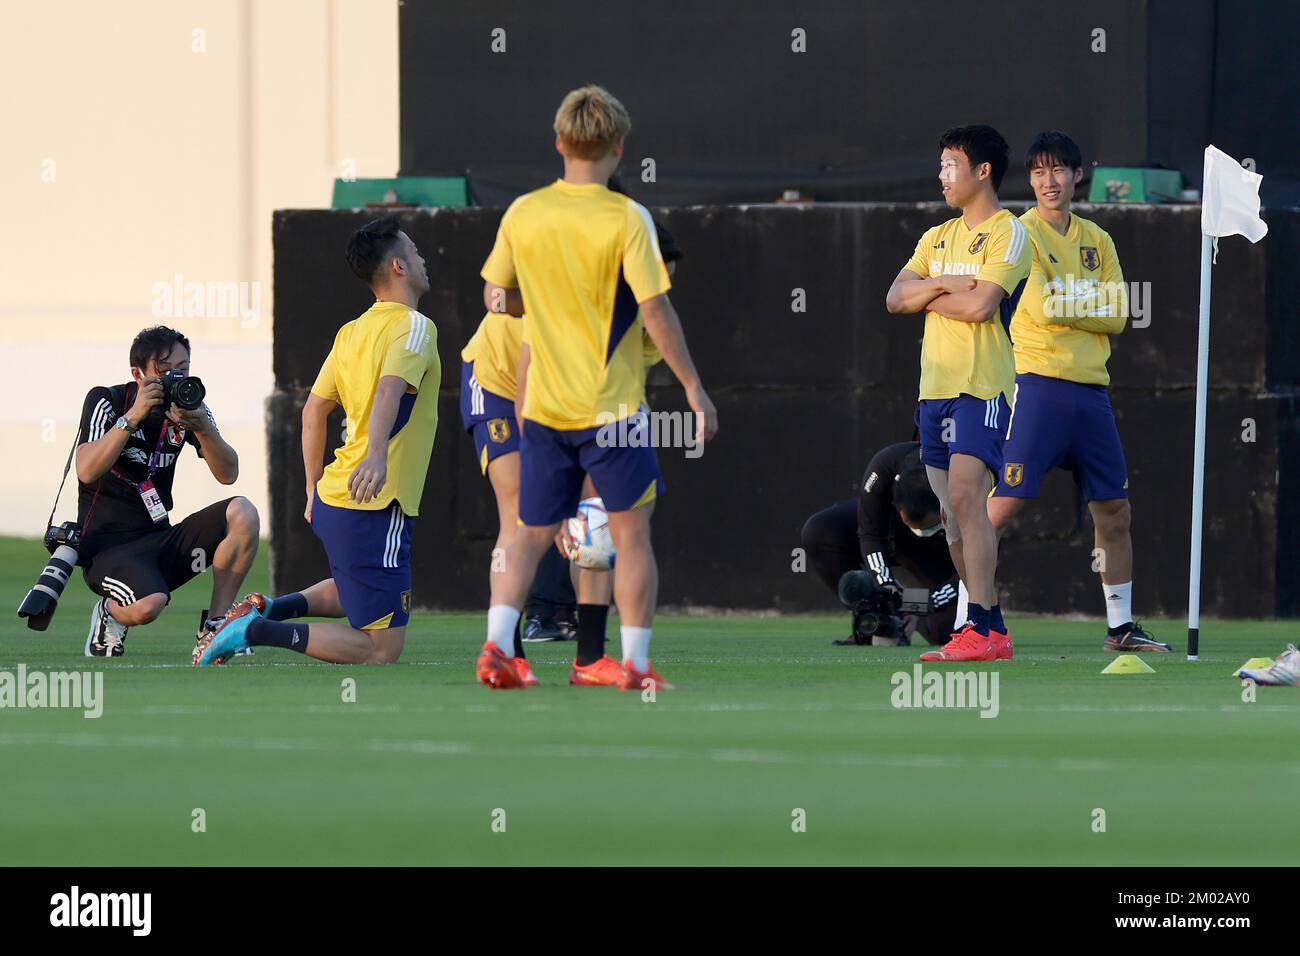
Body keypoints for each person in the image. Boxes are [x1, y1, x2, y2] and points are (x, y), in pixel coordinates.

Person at [475, 83, 717, 690]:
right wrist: (693, 387)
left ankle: (498, 647)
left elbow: (496, 297)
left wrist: (543, 302)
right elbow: (656, 311)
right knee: (632, 533)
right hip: (612, 409)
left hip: (546, 405)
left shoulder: (523, 213)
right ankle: (634, 661)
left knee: (529, 533)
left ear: (559, 142)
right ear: (620, 146)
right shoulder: (626, 217)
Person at [196, 216, 439, 665]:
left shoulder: (351, 332)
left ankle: (270, 609)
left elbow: (313, 412)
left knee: (354, 591)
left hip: (336, 496)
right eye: (416, 250)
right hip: (374, 501)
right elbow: (390, 388)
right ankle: (256, 629)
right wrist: (378, 456)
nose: (424, 258)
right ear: (399, 267)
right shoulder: (415, 327)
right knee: (380, 649)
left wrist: (311, 488)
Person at [987, 130, 1169, 652]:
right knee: (1002, 507)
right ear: (1030, 179)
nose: (1050, 181)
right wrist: (1085, 302)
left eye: (1059, 170)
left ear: (1076, 175)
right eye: (1040, 172)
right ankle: (971, 615)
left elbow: (1120, 314)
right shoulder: (1019, 234)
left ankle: (1120, 628)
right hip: (1037, 385)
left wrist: (1076, 301)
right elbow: (1044, 307)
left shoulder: (1098, 239)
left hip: (1091, 393)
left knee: (1115, 511)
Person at [885, 124, 1031, 662]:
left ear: (982, 171)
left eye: (950, 164)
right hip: (935, 390)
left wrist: (930, 293)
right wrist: (948, 285)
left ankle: (985, 627)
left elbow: (981, 306)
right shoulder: (935, 238)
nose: (942, 174)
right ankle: (985, 627)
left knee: (971, 499)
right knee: (950, 515)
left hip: (982, 386)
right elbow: (894, 298)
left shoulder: (1008, 232)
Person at [74, 326, 257, 657]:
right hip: (109, 549)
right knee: (150, 605)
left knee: (243, 512)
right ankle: (108, 613)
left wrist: (203, 429)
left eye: (183, 369)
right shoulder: (109, 400)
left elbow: (228, 474)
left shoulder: (189, 407)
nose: (176, 378)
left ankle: (216, 625)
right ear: (138, 373)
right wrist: (133, 417)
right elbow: (87, 470)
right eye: (165, 370)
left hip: (160, 537)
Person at [801, 441, 958, 646]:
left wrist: (922, 603)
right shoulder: (885, 466)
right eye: (914, 524)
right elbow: (870, 535)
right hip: (891, 536)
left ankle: (907, 613)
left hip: (946, 551)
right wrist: (887, 587)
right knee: (820, 531)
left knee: (948, 633)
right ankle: (877, 617)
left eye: (929, 524)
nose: (921, 532)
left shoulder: (966, 477)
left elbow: (978, 566)